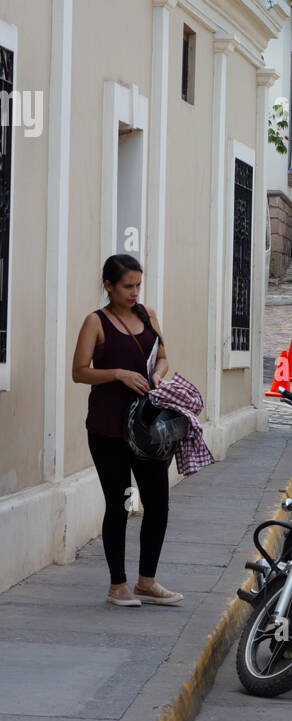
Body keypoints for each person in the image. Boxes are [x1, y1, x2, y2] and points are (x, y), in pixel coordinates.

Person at [71, 254, 183, 608]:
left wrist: (158, 374)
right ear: (109, 285)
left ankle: (147, 581)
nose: (134, 292)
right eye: (127, 286)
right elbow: (79, 371)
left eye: (138, 285)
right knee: (118, 505)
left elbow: (162, 354)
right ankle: (117, 585)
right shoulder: (96, 321)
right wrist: (118, 373)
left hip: (148, 427)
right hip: (108, 428)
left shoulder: (147, 314)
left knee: (159, 504)